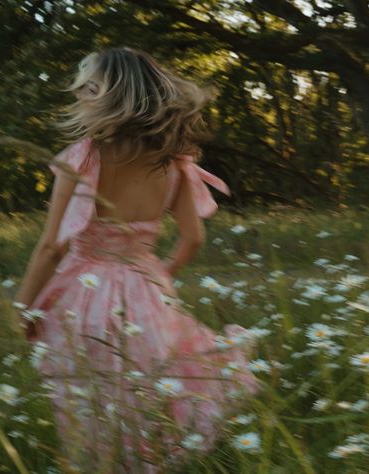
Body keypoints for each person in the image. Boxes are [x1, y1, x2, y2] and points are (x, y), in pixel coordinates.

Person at [14, 46, 261, 473]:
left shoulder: (84, 156)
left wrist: (24, 307)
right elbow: (193, 238)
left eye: (85, 87)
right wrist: (157, 277)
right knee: (145, 388)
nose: (78, 95)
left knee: (91, 395)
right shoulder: (176, 164)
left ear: (107, 95)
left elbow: (52, 247)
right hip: (146, 289)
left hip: (84, 295)